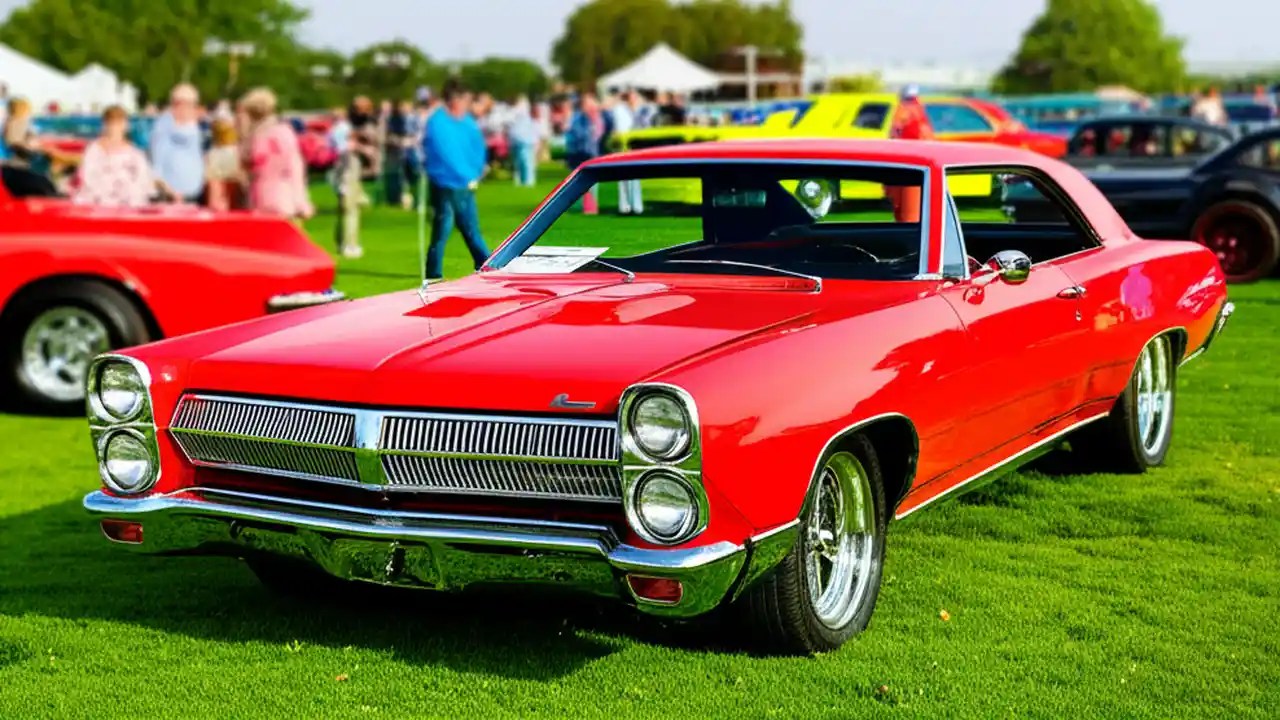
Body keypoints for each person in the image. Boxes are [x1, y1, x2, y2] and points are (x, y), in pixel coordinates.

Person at [422, 82, 489, 281]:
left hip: (466, 183)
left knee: (460, 228)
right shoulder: (437, 122)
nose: (468, 104)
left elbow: (477, 146)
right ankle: (486, 264)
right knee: (456, 228)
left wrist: (476, 171)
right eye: (465, 100)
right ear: (455, 100)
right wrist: (465, 175)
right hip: (447, 183)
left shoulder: (467, 121)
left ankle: (483, 264)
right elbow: (444, 153)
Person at [240, 87, 313, 221]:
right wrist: (301, 202)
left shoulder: (255, 136)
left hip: (261, 196)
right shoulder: (284, 132)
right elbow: (295, 167)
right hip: (286, 196)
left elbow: (245, 163)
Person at [73, 105, 158, 208]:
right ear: (105, 125)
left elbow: (143, 181)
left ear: (126, 125)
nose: (115, 126)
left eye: (119, 122)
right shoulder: (94, 150)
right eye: (112, 122)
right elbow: (88, 178)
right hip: (98, 203)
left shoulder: (135, 153)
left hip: (128, 205)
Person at [150, 83, 205, 203]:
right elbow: (157, 166)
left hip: (195, 196)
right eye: (180, 104)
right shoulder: (163, 127)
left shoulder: (196, 129)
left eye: (191, 105)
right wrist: (171, 192)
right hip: (170, 196)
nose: (187, 109)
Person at [886, 85, 933, 223]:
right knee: (909, 208)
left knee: (906, 209)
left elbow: (895, 133)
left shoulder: (904, 111)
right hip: (914, 161)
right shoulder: (918, 112)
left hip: (907, 161)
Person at [564, 93, 605, 215]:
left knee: (592, 182)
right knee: (580, 181)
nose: (591, 107)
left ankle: (590, 206)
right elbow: (578, 134)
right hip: (581, 153)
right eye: (588, 104)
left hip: (592, 153)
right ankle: (583, 206)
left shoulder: (598, 118)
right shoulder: (579, 118)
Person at [331, 132, 365, 258]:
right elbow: (342, 173)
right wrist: (342, 188)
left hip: (351, 187)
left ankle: (344, 244)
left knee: (348, 216)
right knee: (350, 217)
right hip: (347, 187)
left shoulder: (352, 155)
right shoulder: (346, 155)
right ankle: (348, 246)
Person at [611, 91, 644, 215]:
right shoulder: (620, 110)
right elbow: (619, 128)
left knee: (636, 177)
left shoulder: (640, 111)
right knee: (623, 177)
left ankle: (637, 206)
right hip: (623, 146)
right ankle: (624, 206)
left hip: (635, 147)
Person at [204, 117, 245, 211]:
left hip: (215, 188)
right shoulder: (236, 151)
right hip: (233, 187)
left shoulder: (211, 153)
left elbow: (208, 174)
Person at [383, 100, 410, 208]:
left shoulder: (402, 119)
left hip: (400, 150)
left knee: (399, 175)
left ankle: (398, 197)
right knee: (393, 175)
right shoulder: (391, 120)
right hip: (393, 151)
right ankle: (393, 197)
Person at [2, 98, 42, 168]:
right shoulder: (18, 121)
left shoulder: (10, 121)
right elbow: (14, 141)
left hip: (14, 155)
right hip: (19, 156)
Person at [508, 95, 538, 187]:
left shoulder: (523, 113)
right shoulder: (513, 113)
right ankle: (521, 181)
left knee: (526, 163)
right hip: (517, 141)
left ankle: (528, 182)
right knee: (519, 163)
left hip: (526, 142)